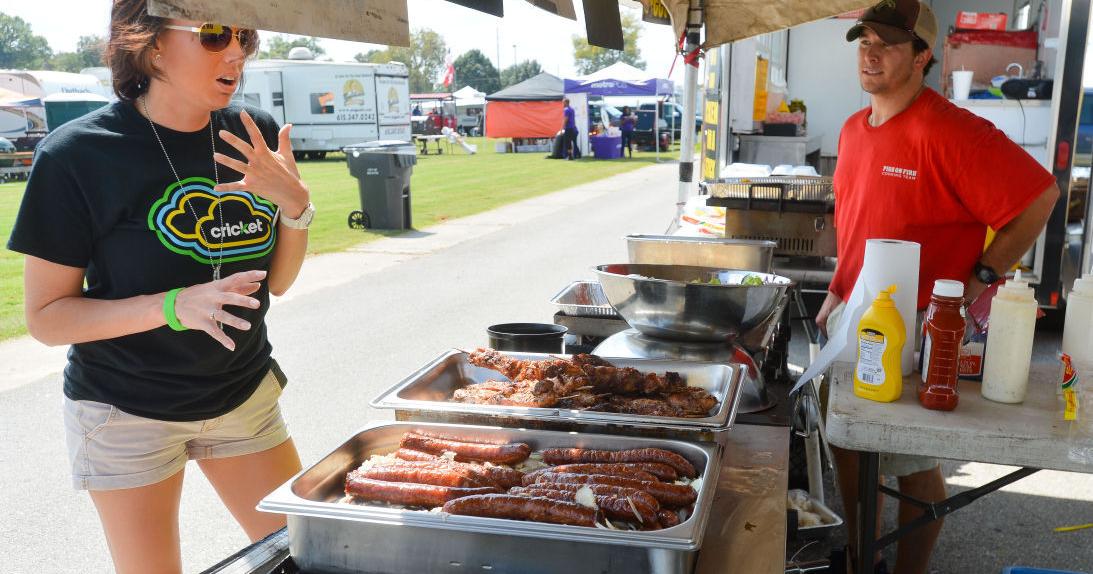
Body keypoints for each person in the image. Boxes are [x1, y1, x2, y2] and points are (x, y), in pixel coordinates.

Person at [7, 2, 316, 572]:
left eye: (244, 35)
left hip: (241, 397)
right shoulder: (78, 156)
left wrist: (295, 205)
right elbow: (48, 319)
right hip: (126, 411)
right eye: (214, 33)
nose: (237, 52)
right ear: (149, 46)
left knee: (303, 557)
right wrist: (173, 305)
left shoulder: (254, 135)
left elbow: (281, 282)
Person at [815, 1, 1059, 573]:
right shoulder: (854, 130)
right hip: (857, 311)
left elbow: (1040, 196)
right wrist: (835, 291)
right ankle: (859, 558)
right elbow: (859, 222)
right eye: (863, 40)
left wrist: (981, 279)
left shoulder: (950, 130)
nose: (870, 53)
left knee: (910, 462)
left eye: (888, 43)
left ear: (923, 55)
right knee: (852, 445)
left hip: (921, 324)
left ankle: (907, 570)